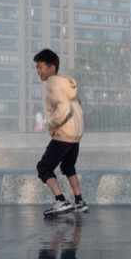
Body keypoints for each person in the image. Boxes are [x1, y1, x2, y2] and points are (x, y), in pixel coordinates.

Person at [35, 48, 87, 216]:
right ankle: (79, 201)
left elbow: (63, 107)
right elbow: (78, 103)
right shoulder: (66, 84)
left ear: (52, 68)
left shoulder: (52, 83)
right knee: (68, 166)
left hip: (64, 134)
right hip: (76, 134)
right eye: (37, 67)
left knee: (44, 167)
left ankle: (60, 200)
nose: (38, 71)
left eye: (41, 67)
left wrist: (52, 123)